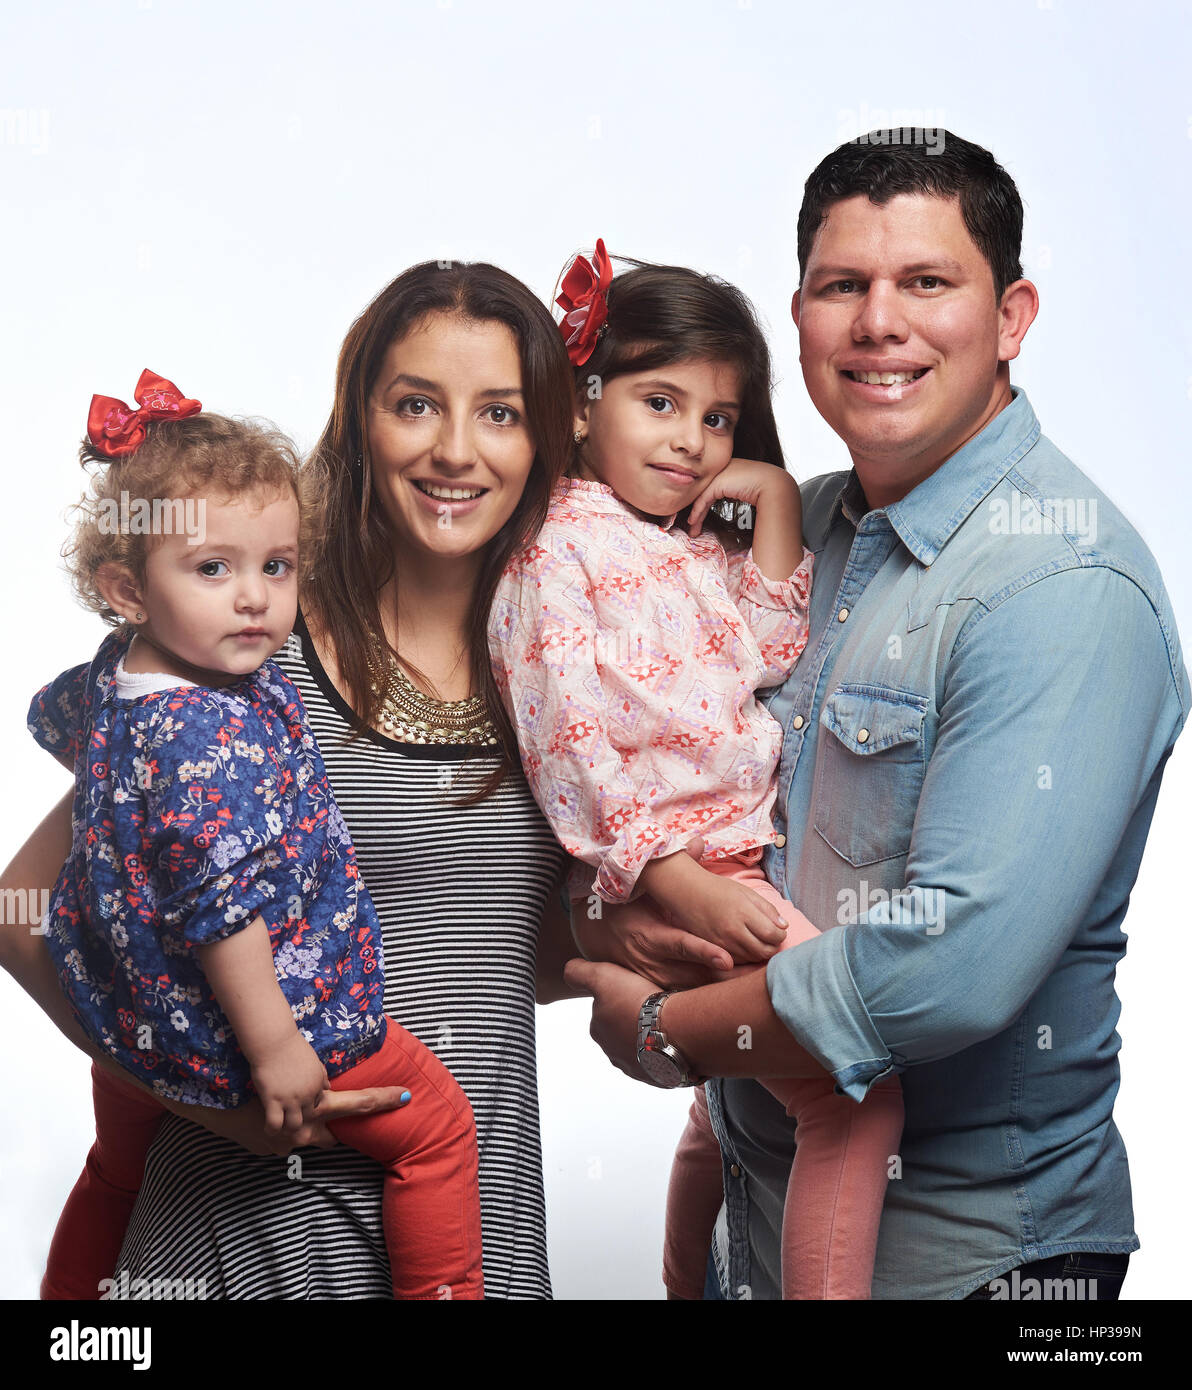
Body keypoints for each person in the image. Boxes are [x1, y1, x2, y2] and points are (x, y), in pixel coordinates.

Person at [566, 131, 1189, 1301]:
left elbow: (945, 973)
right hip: (751, 1229)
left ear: (1010, 316)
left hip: (972, 1270)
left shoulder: (1064, 587)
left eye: (926, 283)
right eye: (841, 285)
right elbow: (621, 756)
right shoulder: (783, 534)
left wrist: (667, 1026)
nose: (877, 322)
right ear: (797, 315)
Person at [1, 261, 577, 1299]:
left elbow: (500, 959)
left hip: (465, 1231)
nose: (455, 448)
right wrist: (205, 1098)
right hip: (243, 1247)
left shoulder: (564, 689)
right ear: (361, 423)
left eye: (499, 411)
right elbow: (21, 907)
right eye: (415, 404)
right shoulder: (242, 674)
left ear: (544, 438)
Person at [489, 245, 902, 1298]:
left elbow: (768, 651)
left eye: (717, 417)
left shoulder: (676, 544)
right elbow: (566, 740)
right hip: (681, 872)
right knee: (856, 1097)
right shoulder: (553, 553)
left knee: (724, 1107)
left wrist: (763, 498)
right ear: (579, 406)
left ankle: (685, 1286)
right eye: (660, 401)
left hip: (732, 861)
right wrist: (673, 879)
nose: (691, 440)